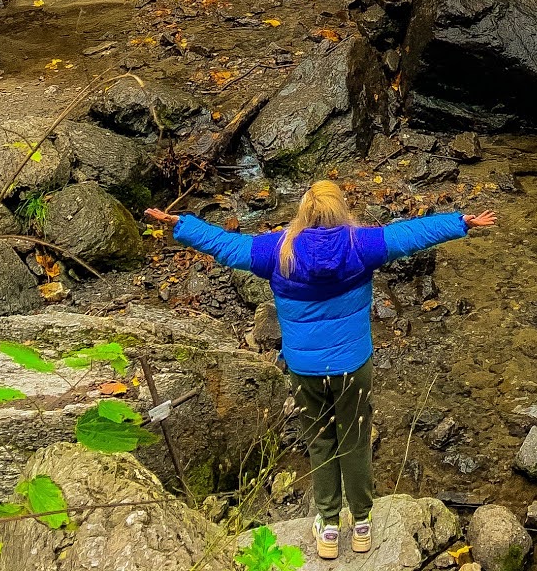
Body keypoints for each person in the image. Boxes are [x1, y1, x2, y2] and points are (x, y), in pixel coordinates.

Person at [146, 182, 497, 560]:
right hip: (353, 366)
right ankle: (361, 524)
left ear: (304, 212)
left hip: (305, 369)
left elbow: (225, 245)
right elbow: (411, 234)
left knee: (320, 442)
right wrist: (460, 222)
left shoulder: (277, 250)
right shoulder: (361, 245)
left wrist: (183, 224)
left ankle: (328, 527)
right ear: (340, 209)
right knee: (355, 441)